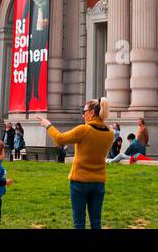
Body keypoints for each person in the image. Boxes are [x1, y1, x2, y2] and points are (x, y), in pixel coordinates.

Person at [40, 98, 114, 229]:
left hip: (79, 181)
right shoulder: (110, 133)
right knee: (96, 222)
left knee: (79, 222)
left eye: (84, 111)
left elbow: (59, 139)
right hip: (99, 182)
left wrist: (48, 125)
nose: (83, 114)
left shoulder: (84, 130)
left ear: (91, 112)